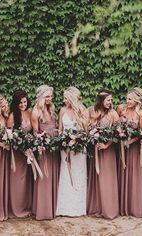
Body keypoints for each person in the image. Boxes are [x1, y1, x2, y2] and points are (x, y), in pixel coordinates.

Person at [87, 89, 119, 219]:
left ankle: (108, 208)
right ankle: (96, 207)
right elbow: (87, 127)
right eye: (108, 100)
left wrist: (106, 145)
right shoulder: (92, 111)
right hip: (95, 150)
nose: (110, 102)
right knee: (95, 177)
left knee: (107, 178)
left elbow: (117, 133)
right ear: (101, 100)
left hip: (107, 151)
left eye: (111, 100)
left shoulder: (113, 113)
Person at [56, 86, 87, 217]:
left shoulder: (83, 111)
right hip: (65, 148)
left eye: (66, 98)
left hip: (79, 148)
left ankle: (78, 207)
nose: (64, 101)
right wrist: (64, 141)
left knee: (78, 174)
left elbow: (85, 131)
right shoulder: (62, 110)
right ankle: (64, 207)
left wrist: (77, 140)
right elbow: (60, 130)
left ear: (72, 98)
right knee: (66, 174)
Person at [116, 87, 142, 217]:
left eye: (130, 99)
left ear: (137, 101)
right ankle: (120, 206)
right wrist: (119, 132)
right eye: (127, 98)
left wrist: (131, 141)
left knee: (133, 175)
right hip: (121, 147)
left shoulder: (141, 114)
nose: (127, 101)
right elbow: (116, 125)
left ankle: (133, 206)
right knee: (121, 173)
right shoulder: (121, 109)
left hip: (133, 149)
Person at [31, 85, 60, 220]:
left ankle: (53, 207)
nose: (50, 98)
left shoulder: (52, 108)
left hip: (54, 147)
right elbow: (35, 133)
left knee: (53, 175)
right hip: (44, 148)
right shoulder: (35, 112)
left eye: (51, 96)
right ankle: (43, 210)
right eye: (47, 96)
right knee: (45, 178)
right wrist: (42, 144)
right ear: (41, 97)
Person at [7, 90, 33, 218]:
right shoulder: (13, 115)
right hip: (17, 153)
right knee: (18, 180)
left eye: (24, 102)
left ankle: (26, 206)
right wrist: (22, 147)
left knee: (27, 180)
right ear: (15, 103)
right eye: (20, 102)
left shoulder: (29, 112)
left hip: (28, 153)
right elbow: (9, 136)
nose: (23, 105)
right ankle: (16, 209)